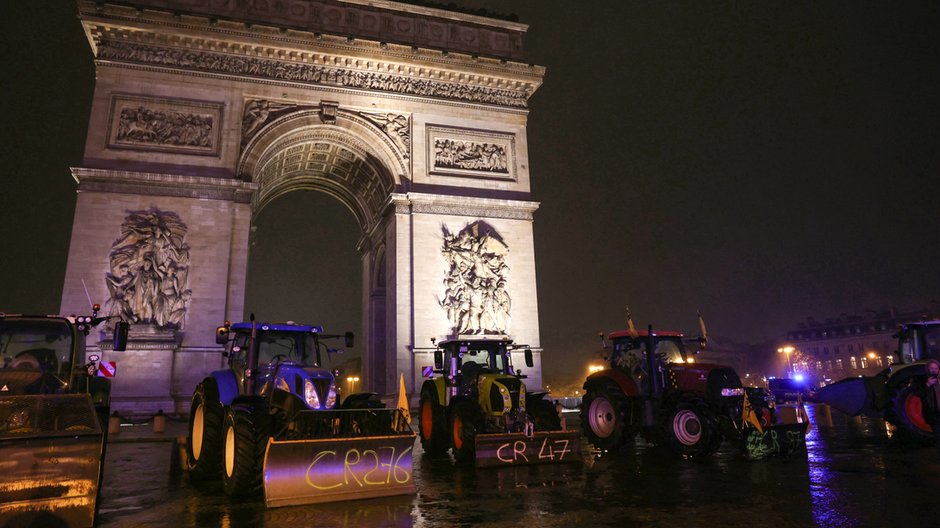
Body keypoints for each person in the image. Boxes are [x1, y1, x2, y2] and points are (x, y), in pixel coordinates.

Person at [918, 358, 940, 453]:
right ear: (928, 369)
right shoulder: (921, 381)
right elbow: (918, 393)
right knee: (938, 437)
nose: (934, 370)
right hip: (933, 414)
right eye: (931, 368)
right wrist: (927, 384)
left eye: (936, 368)